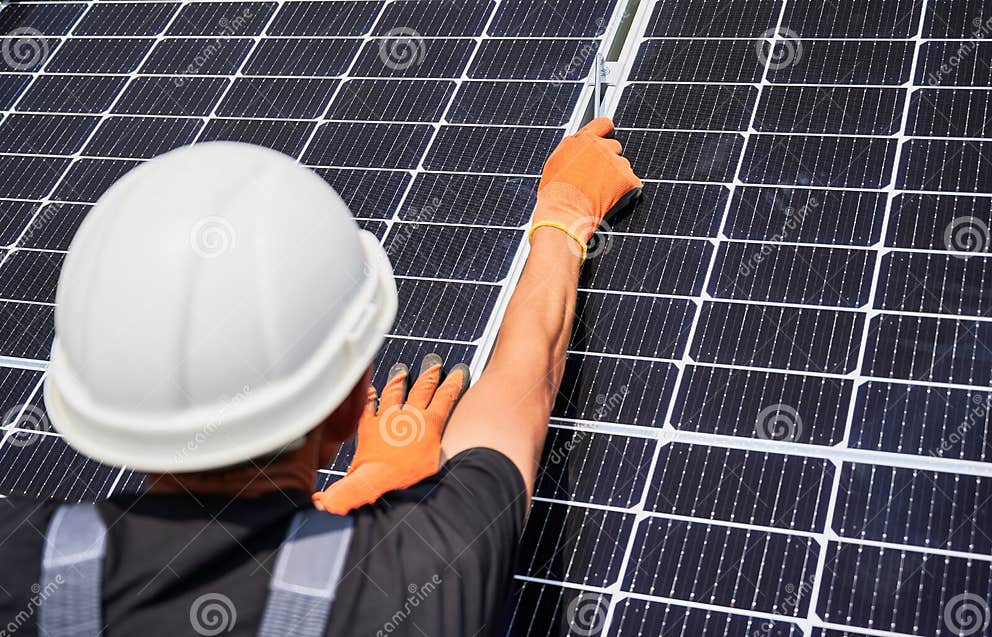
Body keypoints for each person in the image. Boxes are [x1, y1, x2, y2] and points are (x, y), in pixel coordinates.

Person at [0, 117, 641, 636]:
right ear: (346, 411)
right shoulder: (419, 578)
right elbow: (517, 401)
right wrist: (565, 210)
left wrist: (349, 496)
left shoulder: (23, 563)